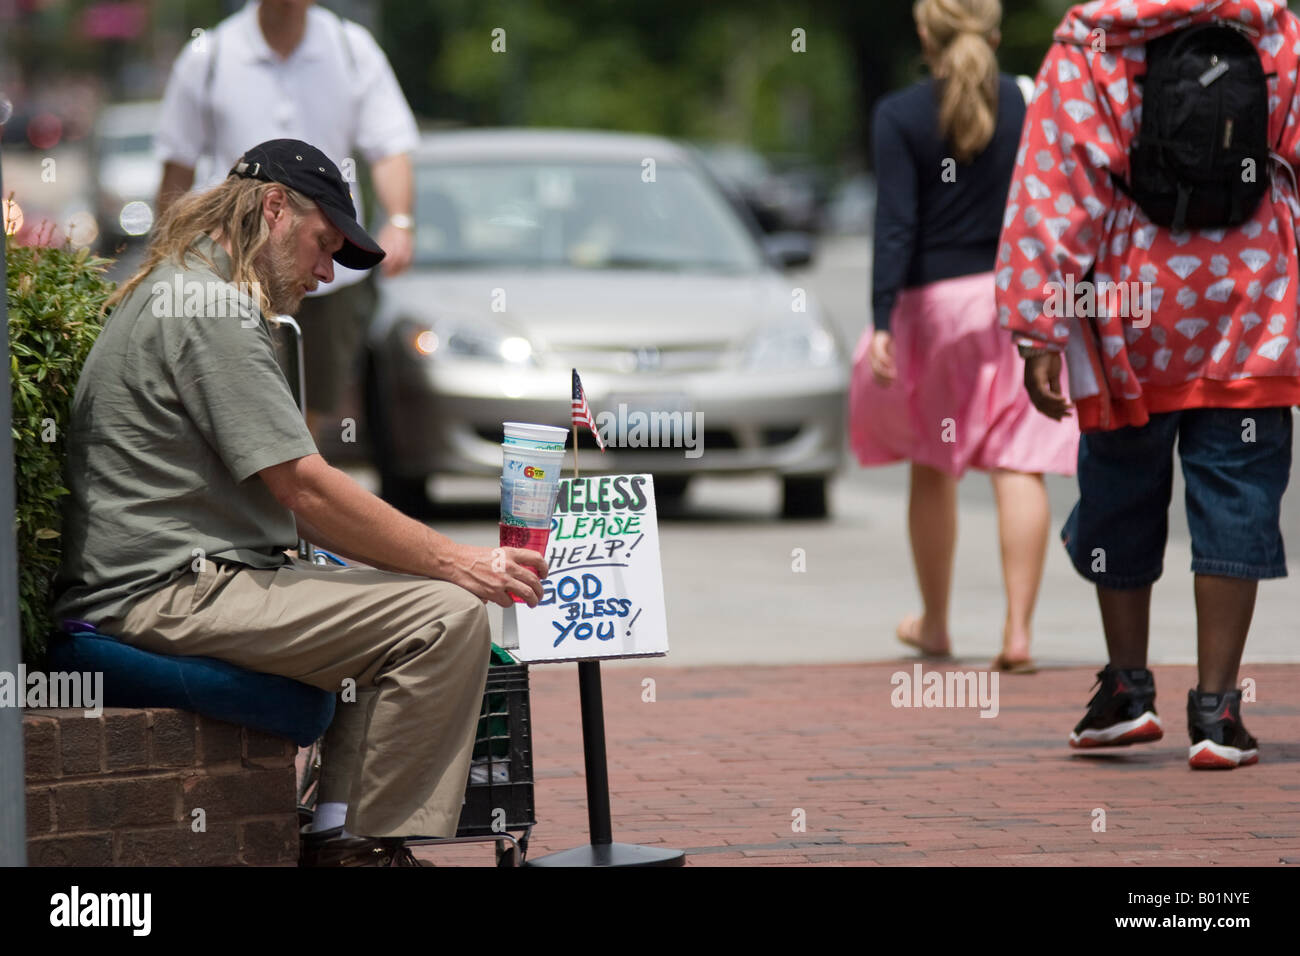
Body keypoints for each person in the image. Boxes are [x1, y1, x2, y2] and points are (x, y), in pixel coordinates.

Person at [53, 139, 549, 865]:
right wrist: (459, 563)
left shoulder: (189, 287)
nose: (325, 274)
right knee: (441, 617)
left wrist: (421, 562)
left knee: (405, 602)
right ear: (274, 207)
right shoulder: (210, 309)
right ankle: (356, 848)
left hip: (178, 579)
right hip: (162, 594)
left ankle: (337, 834)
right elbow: (305, 488)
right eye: (325, 245)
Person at [1001, 0, 1300, 767]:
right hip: (1251, 298)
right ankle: (1218, 711)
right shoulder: (1270, 28)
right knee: (1238, 486)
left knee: (1122, 481)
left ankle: (1128, 694)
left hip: (1128, 302)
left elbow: (1054, 185)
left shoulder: (1092, 39)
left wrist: (1038, 324)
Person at [851, 0, 1078, 673]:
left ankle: (938, 625)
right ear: (997, 31)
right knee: (1018, 461)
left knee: (933, 460)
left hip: (932, 309)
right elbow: (1049, 206)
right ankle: (1017, 635)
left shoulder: (898, 114)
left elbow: (896, 223)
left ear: (925, 33)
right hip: (1012, 300)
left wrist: (884, 316)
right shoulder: (1032, 102)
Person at [153, 0, 418, 447]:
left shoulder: (351, 48)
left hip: (323, 271)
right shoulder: (209, 54)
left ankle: (289, 506)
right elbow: (177, 164)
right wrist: (165, 253)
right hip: (232, 273)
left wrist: (401, 220)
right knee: (229, 395)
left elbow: (390, 146)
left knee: (307, 409)